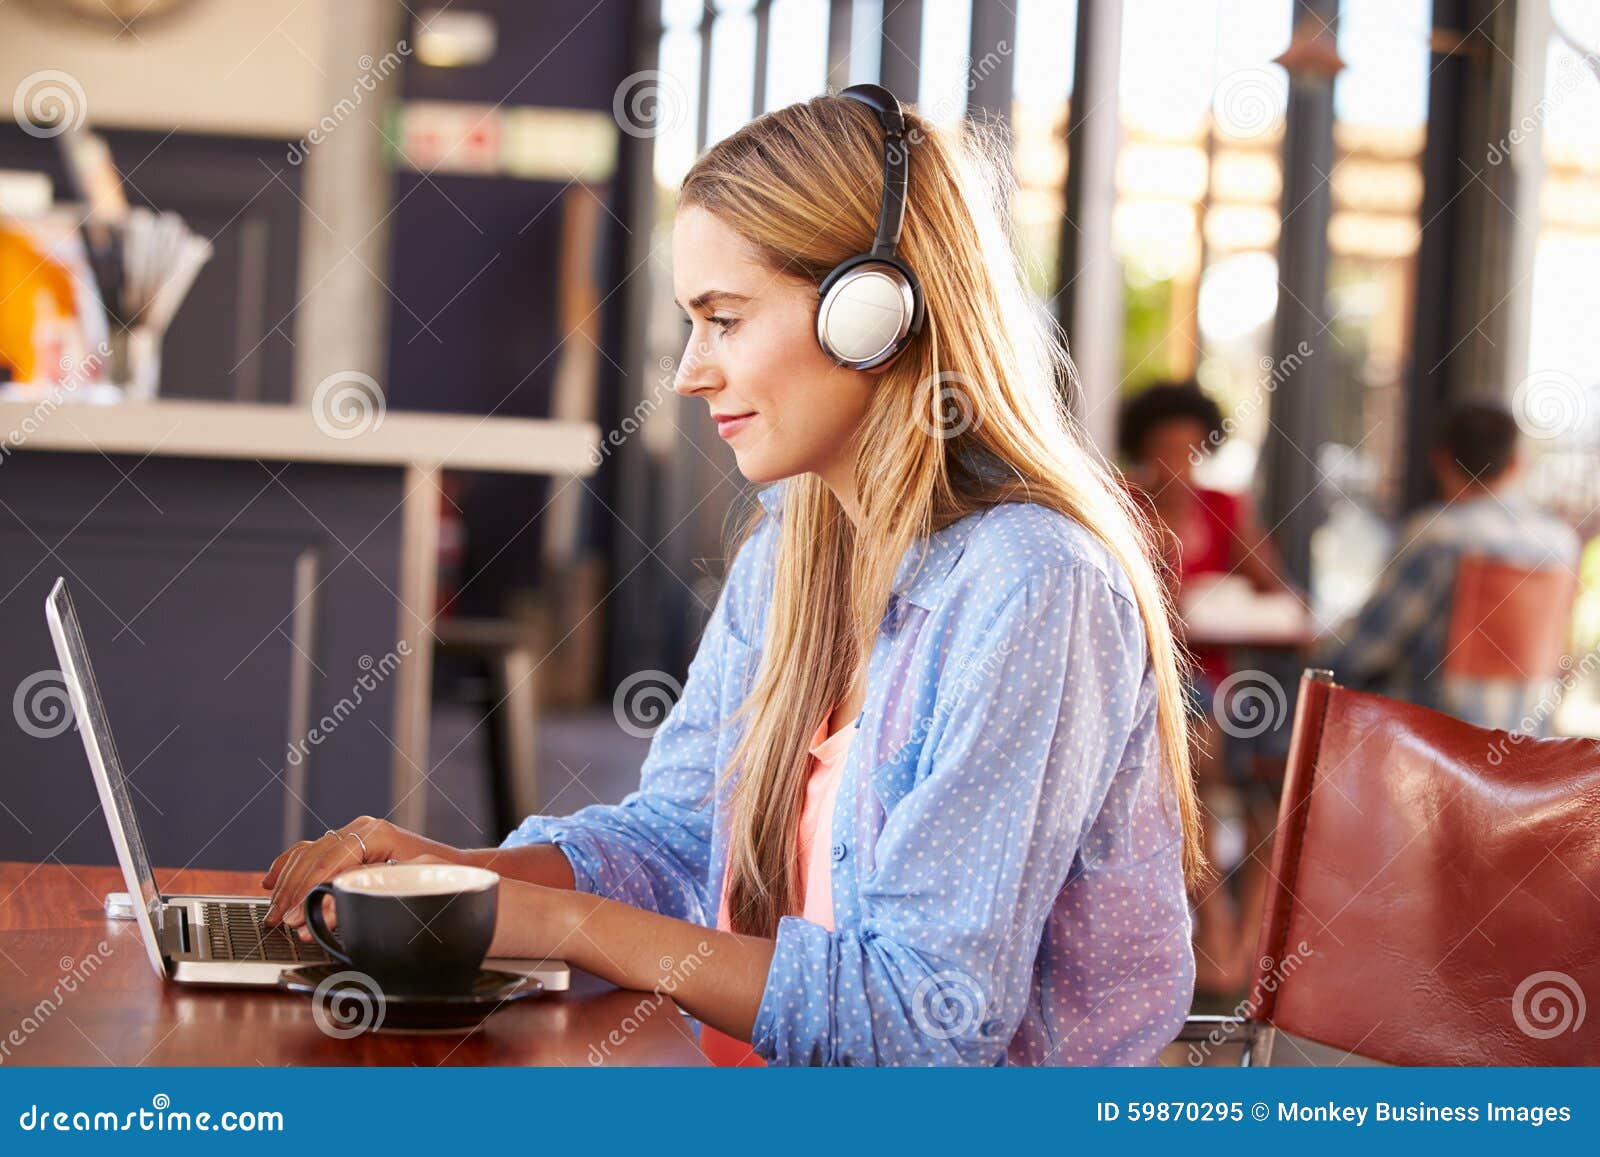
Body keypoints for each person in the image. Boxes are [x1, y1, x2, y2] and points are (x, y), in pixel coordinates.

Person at [262, 85, 1207, 1066]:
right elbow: (679, 841)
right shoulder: (794, 549)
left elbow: (926, 1020)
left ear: (871, 315)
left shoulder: (1031, 588)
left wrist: (563, 924)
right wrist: (454, 877)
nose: (689, 372)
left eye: (725, 319)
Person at [1117, 379, 1297, 995]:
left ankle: (1241, 946)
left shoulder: (1224, 507)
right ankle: (1218, 930)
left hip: (1221, 685)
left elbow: (1279, 592)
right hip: (1153, 681)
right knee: (1199, 753)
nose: (1179, 463)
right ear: (1142, 448)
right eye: (1166, 448)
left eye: (1190, 449)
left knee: (1262, 767)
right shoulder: (1123, 503)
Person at [1318, 400, 1580, 730]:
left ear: (1440, 461)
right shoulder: (1560, 545)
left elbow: (1358, 653)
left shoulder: (1438, 538)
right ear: (1516, 463)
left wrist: (1314, 648)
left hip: (1431, 753)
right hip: (1527, 754)